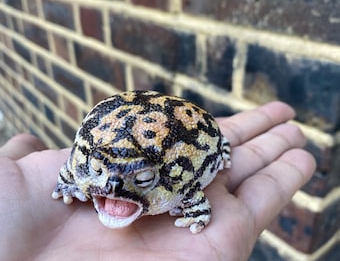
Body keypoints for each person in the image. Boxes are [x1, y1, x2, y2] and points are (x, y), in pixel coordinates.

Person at [0, 102, 315, 261]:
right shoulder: (84, 165)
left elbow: (192, 191)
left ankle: (217, 149)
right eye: (99, 174)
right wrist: (71, 179)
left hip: (183, 134)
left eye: (142, 179)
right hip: (112, 135)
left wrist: (196, 209)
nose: (112, 188)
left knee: (212, 148)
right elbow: (75, 162)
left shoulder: (176, 183)